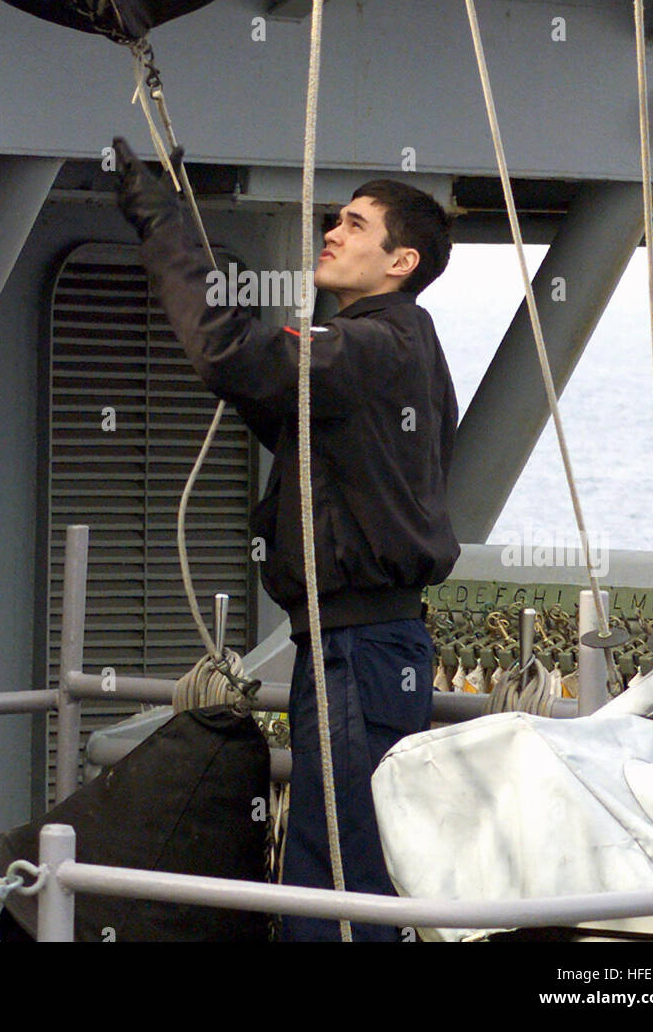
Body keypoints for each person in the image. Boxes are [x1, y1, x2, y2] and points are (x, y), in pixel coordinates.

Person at [113, 137, 460, 941]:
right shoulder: (394, 352)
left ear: (400, 259)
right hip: (356, 646)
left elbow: (236, 355)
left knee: (339, 874)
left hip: (357, 649)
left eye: (354, 224)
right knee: (335, 862)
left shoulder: (373, 346)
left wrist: (161, 219)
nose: (330, 233)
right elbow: (277, 399)